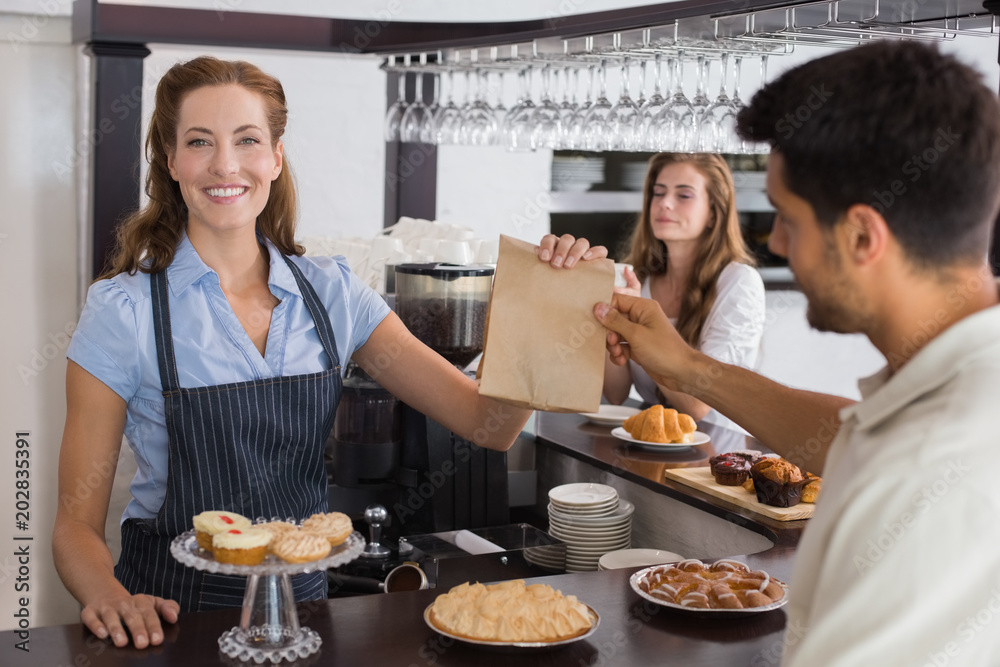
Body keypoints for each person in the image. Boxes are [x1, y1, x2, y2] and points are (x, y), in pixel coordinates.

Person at [52, 56, 605, 650]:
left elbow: (486, 425)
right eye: (199, 142)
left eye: (247, 140)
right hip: (170, 621)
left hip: (302, 621)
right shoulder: (125, 311)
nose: (225, 165)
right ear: (171, 161)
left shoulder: (332, 294)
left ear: (276, 156)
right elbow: (74, 525)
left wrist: (546, 302)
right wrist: (106, 595)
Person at [594, 40, 1000, 666]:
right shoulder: (954, 381)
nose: (776, 243)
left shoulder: (927, 467)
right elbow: (843, 435)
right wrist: (684, 365)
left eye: (787, 218)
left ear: (863, 234)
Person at [603, 153, 765, 451]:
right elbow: (615, 393)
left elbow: (699, 403)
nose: (665, 203)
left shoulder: (739, 282)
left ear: (714, 213)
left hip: (716, 457)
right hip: (645, 447)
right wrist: (606, 322)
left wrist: (639, 324)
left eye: (684, 195)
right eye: (659, 192)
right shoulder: (639, 278)